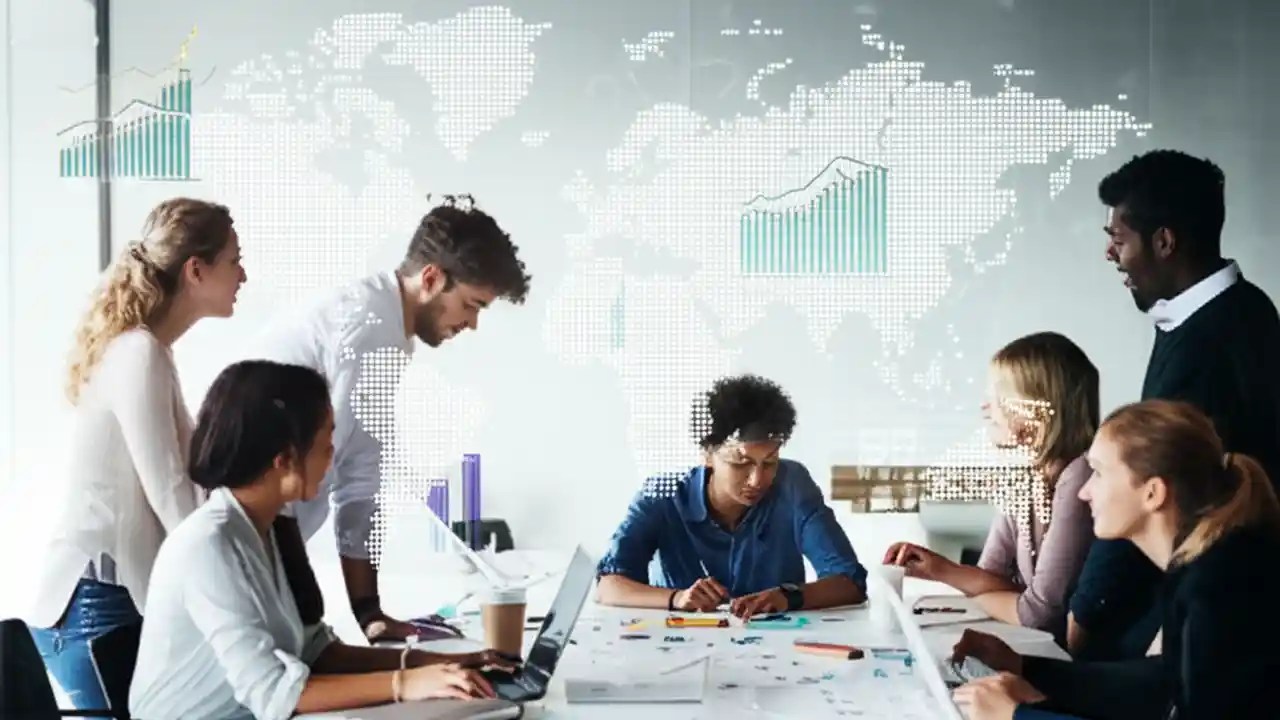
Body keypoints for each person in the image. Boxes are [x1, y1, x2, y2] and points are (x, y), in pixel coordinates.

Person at [129, 360, 516, 720]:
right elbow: (273, 694)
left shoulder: (267, 528)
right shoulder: (208, 546)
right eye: (325, 443)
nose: (332, 457)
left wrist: (434, 664)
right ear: (284, 459)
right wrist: (405, 685)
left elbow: (316, 652)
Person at [247, 194, 531, 642]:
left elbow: (360, 473)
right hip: (252, 545)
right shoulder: (370, 329)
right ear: (432, 279)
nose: (472, 323)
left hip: (268, 544)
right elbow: (302, 476)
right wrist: (310, 605)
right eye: (472, 305)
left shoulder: (384, 325)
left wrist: (370, 614)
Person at [26, 198, 245, 709]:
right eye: (235, 261)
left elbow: (189, 487)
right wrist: (231, 590)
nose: (243, 275)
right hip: (94, 612)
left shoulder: (152, 351)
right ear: (196, 270)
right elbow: (170, 494)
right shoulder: (138, 352)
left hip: (112, 605)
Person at [1069, 150, 1280, 660]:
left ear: (1164, 242)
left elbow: (1149, 482)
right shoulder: (1234, 312)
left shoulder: (1212, 340)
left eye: (1119, 239)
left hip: (1202, 622)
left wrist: (1084, 617)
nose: (1110, 254)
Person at [950, 400, 1280, 720]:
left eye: (1097, 472)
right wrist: (1026, 668)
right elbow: (1162, 686)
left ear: (1152, 493)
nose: (1084, 491)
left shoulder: (1220, 591)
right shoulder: (1205, 569)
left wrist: (1018, 716)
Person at [595, 374, 867, 619]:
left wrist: (788, 596)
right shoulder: (662, 495)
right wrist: (677, 598)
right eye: (740, 463)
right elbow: (609, 585)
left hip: (776, 646)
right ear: (707, 454)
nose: (757, 480)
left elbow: (850, 582)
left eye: (770, 462)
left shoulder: (792, 483)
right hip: (681, 646)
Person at [883, 332, 1097, 643]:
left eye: (1000, 395)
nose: (985, 407)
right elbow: (991, 577)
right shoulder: (1024, 476)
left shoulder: (1080, 476)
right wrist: (940, 569)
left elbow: (1037, 615)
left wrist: (969, 586)